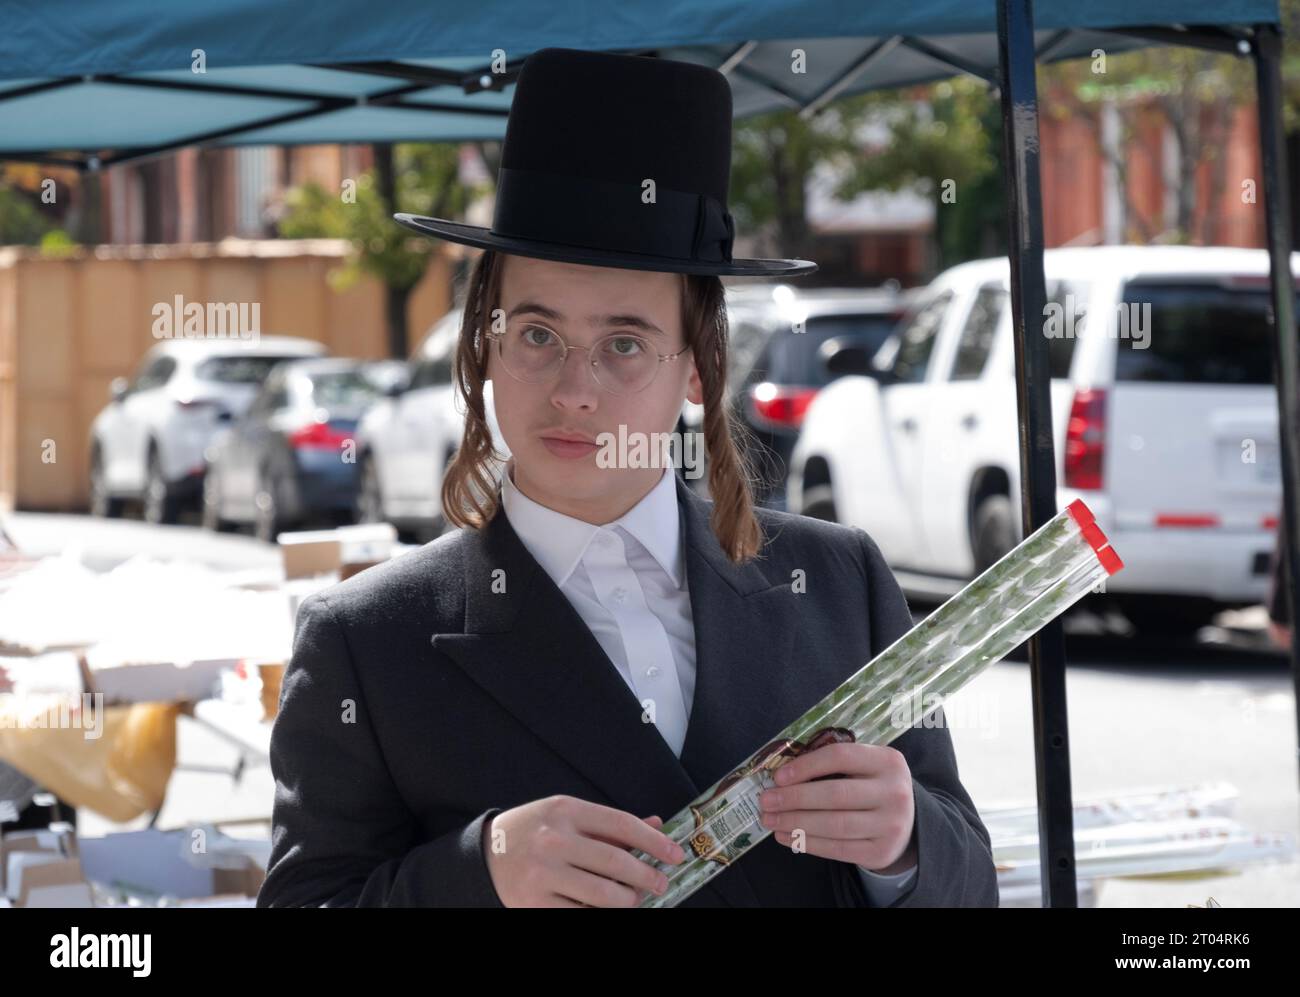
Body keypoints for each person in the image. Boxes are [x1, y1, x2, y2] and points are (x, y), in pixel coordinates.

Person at [257, 47, 997, 908]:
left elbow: (970, 878)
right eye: (537, 335)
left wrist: (906, 845)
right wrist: (480, 867)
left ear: (696, 367)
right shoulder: (367, 641)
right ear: (486, 344)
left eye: (624, 345)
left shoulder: (838, 584)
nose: (575, 391)